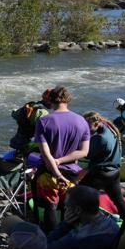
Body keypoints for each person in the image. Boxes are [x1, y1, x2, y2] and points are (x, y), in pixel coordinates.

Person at [33, 87, 90, 232]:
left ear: (50, 101)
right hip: (72, 174)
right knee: (68, 208)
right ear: (68, 99)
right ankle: (67, 239)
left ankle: (50, 240)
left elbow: (46, 155)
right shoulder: (82, 121)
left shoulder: (44, 121)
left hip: (49, 174)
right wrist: (62, 161)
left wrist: (57, 173)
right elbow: (84, 152)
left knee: (49, 207)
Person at [43, 185, 120, 249]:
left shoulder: (77, 238)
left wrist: (65, 225)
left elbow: (45, 247)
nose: (65, 209)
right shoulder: (111, 224)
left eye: (66, 206)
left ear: (78, 210)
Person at [78, 112, 125, 223]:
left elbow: (87, 154)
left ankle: (90, 221)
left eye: (87, 127)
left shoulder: (100, 138)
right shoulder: (110, 128)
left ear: (96, 124)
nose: (85, 130)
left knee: (79, 194)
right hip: (114, 172)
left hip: (100, 174)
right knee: (118, 200)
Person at [9, 89, 52, 153]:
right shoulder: (43, 113)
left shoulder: (30, 105)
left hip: (17, 141)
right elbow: (43, 133)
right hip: (29, 144)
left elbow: (14, 114)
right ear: (49, 101)